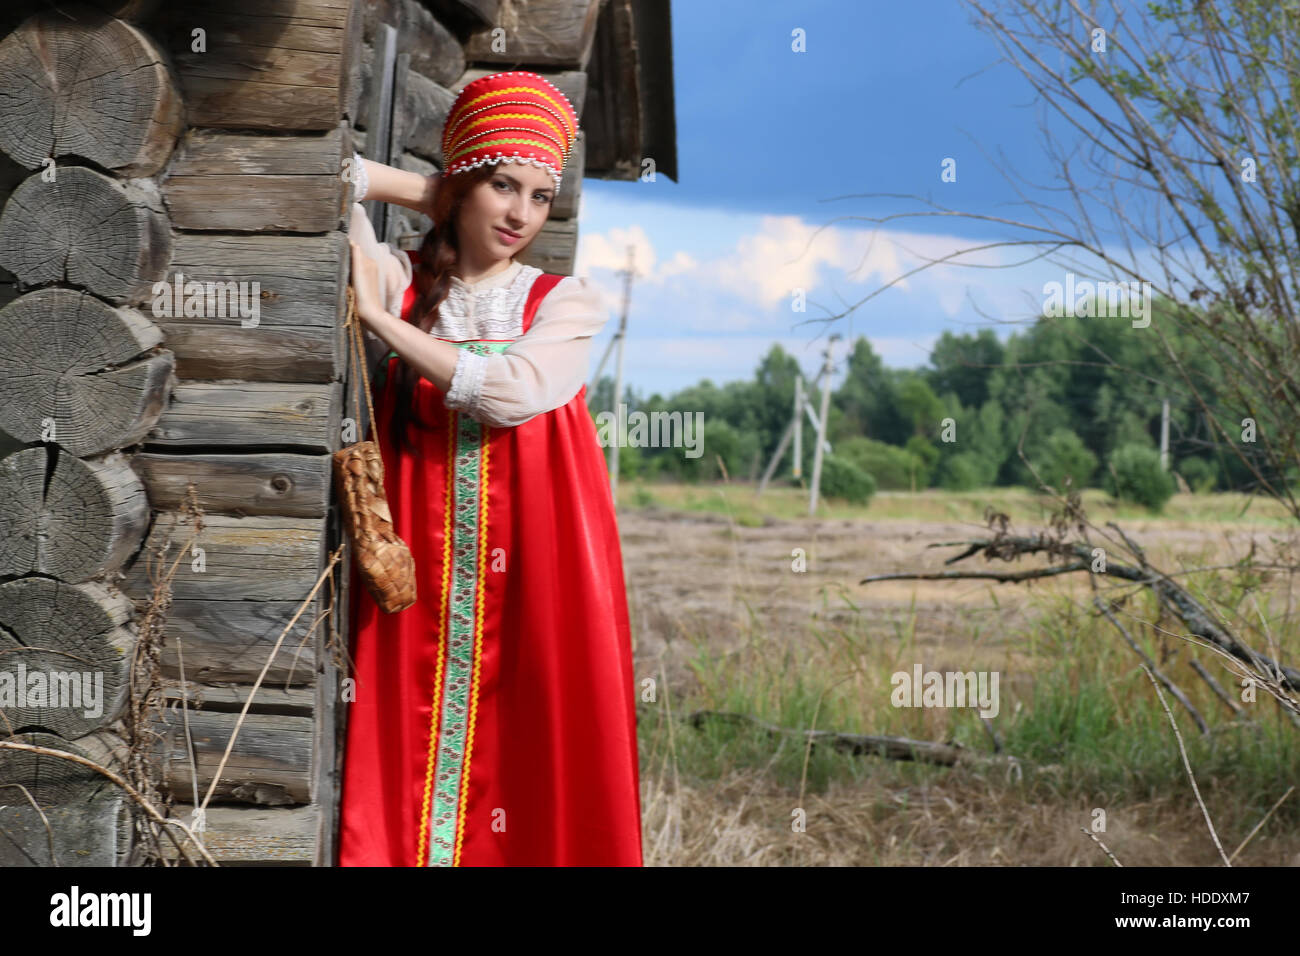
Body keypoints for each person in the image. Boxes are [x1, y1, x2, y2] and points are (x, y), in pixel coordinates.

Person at [337, 71, 643, 866]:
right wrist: (433, 194)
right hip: (424, 565)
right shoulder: (411, 283)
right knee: (413, 734)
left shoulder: (560, 303)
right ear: (463, 186)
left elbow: (507, 394)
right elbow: (338, 178)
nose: (520, 215)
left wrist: (379, 324)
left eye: (540, 197)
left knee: (530, 742)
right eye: (502, 186)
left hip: (536, 570)